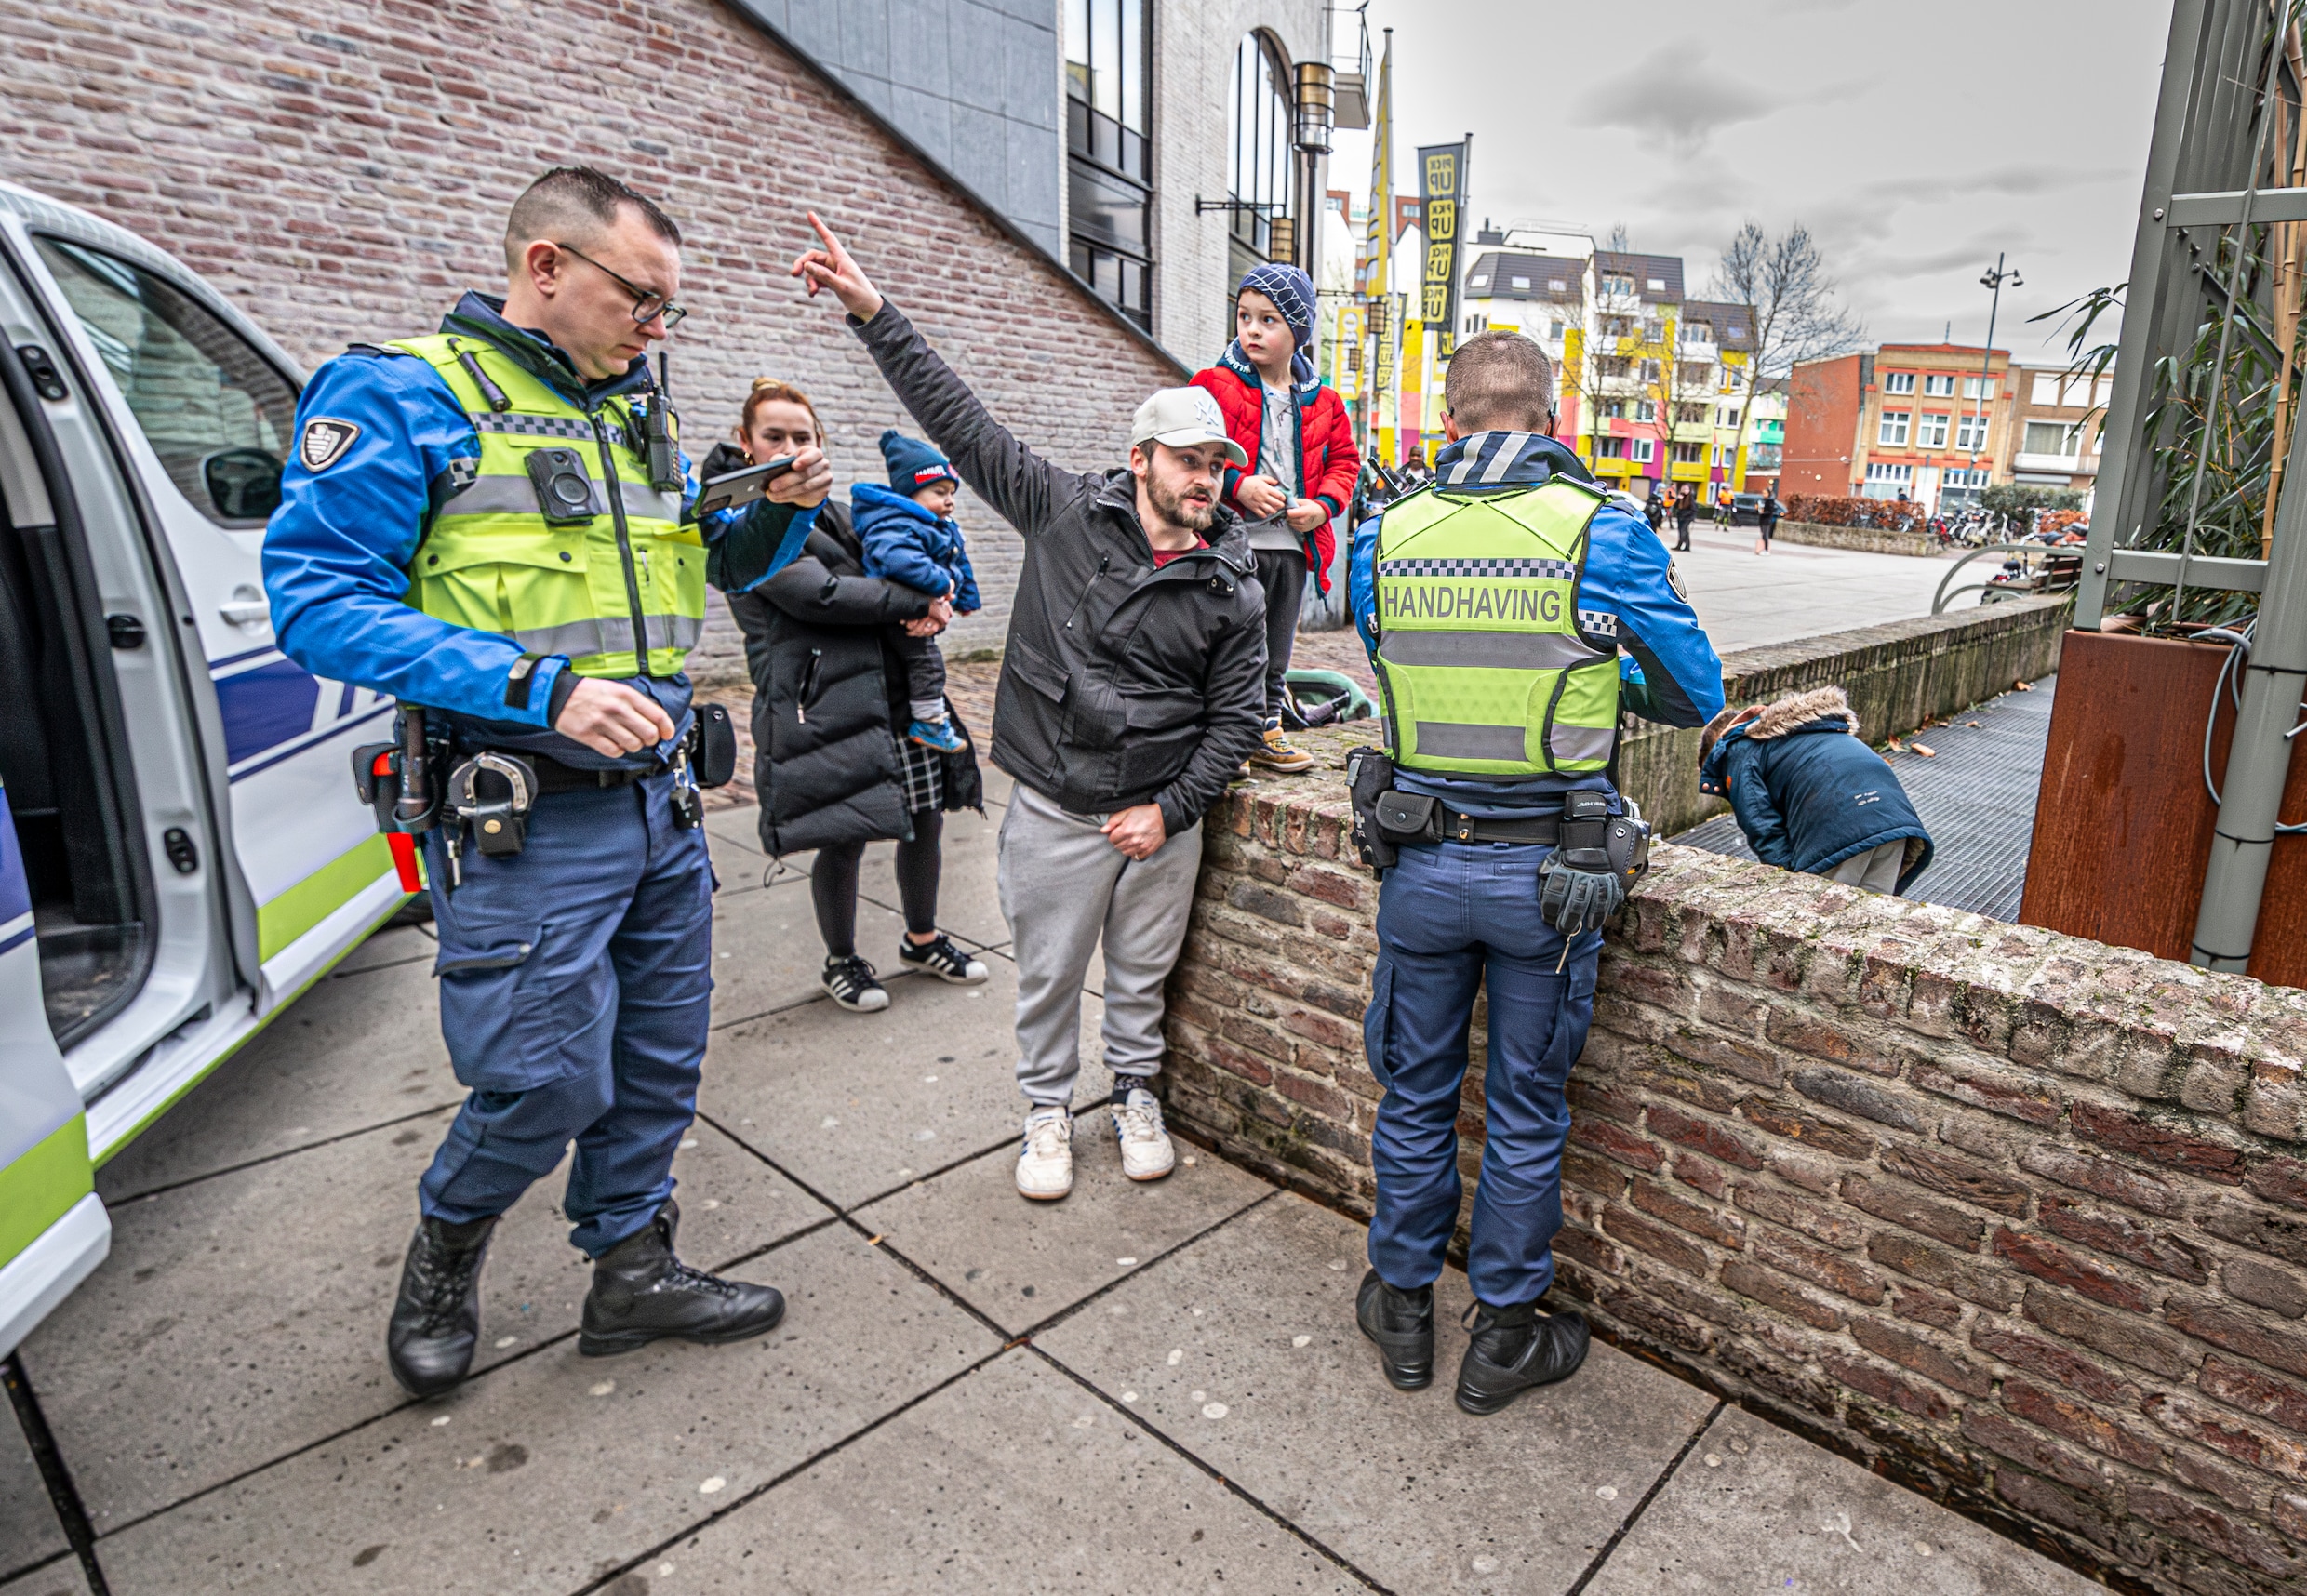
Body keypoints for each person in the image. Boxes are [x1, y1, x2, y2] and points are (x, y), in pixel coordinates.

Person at [264, 166, 821, 1399]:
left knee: (660, 1062)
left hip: (659, 805)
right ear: (548, 268)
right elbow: (316, 604)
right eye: (645, 297)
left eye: (670, 306)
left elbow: (699, 568)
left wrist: (773, 517)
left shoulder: (636, 410)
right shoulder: (406, 393)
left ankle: (631, 1270)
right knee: (542, 1079)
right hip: (525, 817)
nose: (659, 326)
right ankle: (446, 1249)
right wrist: (538, 689)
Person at [792, 213, 1266, 1202]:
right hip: (1057, 804)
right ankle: (1044, 1109)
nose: (1204, 481)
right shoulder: (1060, 513)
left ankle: (1134, 1093)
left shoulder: (1234, 585)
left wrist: (1169, 811)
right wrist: (874, 313)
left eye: (1216, 465)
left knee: (1140, 979)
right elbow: (964, 425)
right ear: (1139, 460)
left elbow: (1235, 722)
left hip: (1157, 820)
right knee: (1049, 977)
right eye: (1187, 462)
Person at [1346, 328, 1724, 1416]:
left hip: (1418, 867)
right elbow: (1685, 686)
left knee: (1412, 1097)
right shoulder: (1601, 531)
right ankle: (1503, 1335)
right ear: (1550, 420)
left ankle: (1401, 1311)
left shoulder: (1384, 535)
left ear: (1449, 420)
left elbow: (1392, 660)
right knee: (1522, 1112)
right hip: (1546, 885)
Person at [715, 381, 989, 1015]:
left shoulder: (836, 512)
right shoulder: (740, 523)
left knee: (925, 818)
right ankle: (842, 960)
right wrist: (922, 601)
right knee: (843, 834)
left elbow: (889, 567)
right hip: (823, 699)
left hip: (890, 690)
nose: (790, 448)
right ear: (746, 443)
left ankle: (921, 940)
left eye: (802, 437)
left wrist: (929, 595)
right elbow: (820, 596)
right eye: (774, 437)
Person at [1191, 264, 1360, 774]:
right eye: (1244, 317)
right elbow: (1188, 451)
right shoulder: (1211, 385)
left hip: (1290, 545)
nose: (1252, 330)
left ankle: (1266, 728)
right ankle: (1225, 736)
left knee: (1275, 644)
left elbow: (1344, 463)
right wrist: (1237, 485)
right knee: (1225, 642)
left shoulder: (1326, 401)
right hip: (1228, 541)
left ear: (1298, 331)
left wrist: (1324, 506)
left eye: (1269, 320)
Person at [1698, 687, 1933, 894]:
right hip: (1895, 823)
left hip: (1840, 827)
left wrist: (1789, 879)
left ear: (1716, 750)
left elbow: (1761, 825)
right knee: (1871, 915)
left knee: (1825, 916)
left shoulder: (1737, 749)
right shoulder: (1806, 729)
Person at [853, 429, 982, 754]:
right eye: (939, 492)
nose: (949, 500)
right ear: (911, 494)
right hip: (896, 610)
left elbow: (959, 561)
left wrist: (965, 599)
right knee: (927, 664)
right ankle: (928, 721)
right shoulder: (895, 523)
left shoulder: (939, 527)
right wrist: (942, 584)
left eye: (952, 492)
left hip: (920, 606)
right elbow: (899, 559)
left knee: (923, 663)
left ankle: (927, 717)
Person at [1755, 489, 1781, 555]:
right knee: (1763, 535)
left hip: (1767, 520)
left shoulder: (1770, 501)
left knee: (1765, 535)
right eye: (1763, 493)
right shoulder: (1762, 501)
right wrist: (1757, 509)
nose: (1763, 494)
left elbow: (1770, 511)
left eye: (1765, 493)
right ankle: (1763, 548)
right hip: (1762, 519)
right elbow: (1759, 510)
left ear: (1769, 494)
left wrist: (1762, 513)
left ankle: (1766, 550)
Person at [1673, 484, 1697, 552]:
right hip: (1680, 517)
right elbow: (1676, 506)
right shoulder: (1681, 497)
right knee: (1682, 531)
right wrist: (1678, 499)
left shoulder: (1691, 498)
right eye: (1684, 489)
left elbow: (1694, 509)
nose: (1685, 491)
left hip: (1687, 518)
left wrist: (1688, 516)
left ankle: (1683, 545)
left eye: (1687, 489)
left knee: (1683, 531)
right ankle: (1684, 546)